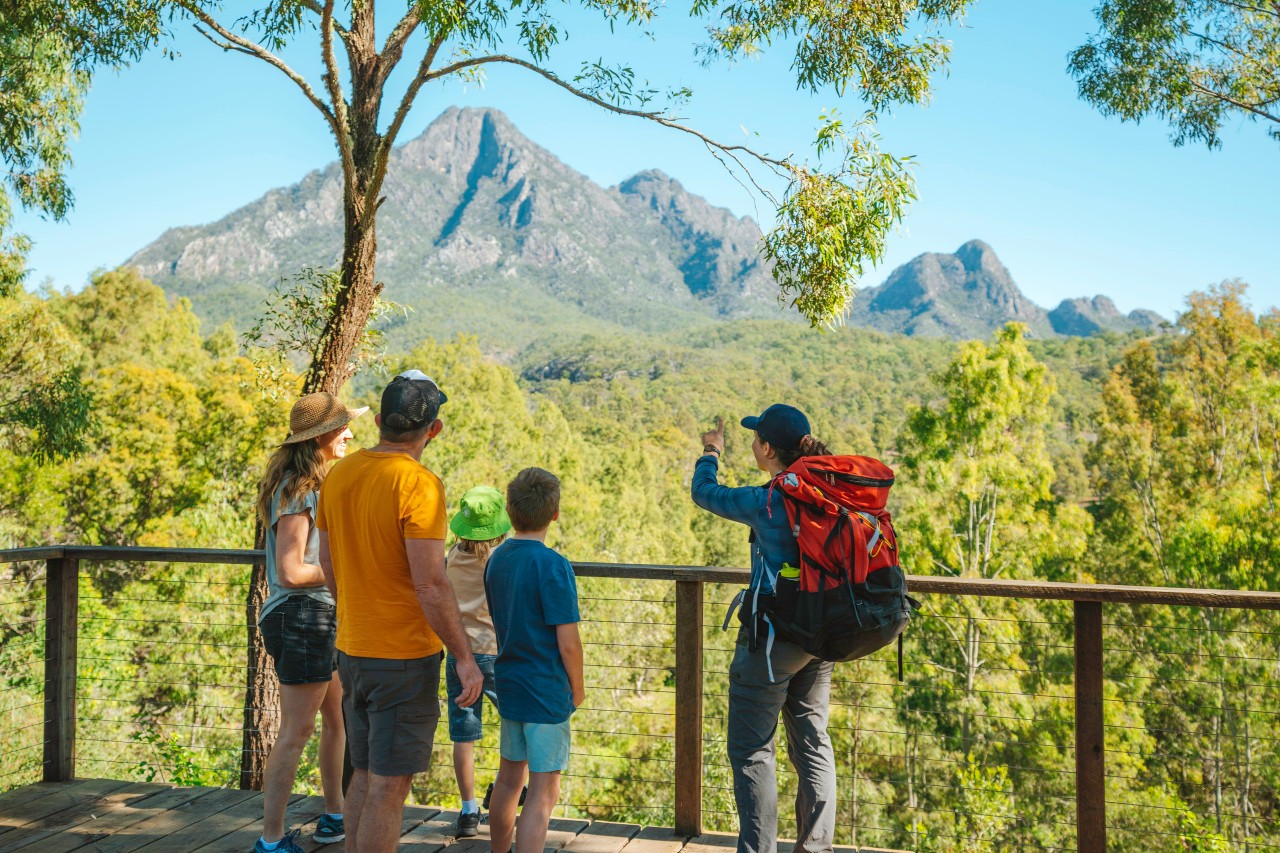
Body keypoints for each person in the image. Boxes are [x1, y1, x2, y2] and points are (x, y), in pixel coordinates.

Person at [316, 370, 483, 853]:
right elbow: (430, 583)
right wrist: (464, 658)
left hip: (352, 647)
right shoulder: (420, 485)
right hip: (403, 657)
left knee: (365, 773)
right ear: (434, 429)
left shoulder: (341, 475)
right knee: (391, 786)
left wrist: (356, 607)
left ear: (382, 422)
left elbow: (326, 561)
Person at [690, 405, 837, 853]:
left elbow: (705, 493)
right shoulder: (829, 490)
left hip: (774, 641)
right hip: (823, 635)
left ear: (767, 448)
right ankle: (815, 848)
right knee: (813, 744)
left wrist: (710, 453)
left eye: (757, 438)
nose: (754, 443)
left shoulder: (769, 500)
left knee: (754, 751)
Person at [254, 392, 367, 853]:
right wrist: (351, 570)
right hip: (302, 616)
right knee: (295, 732)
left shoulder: (315, 484)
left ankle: (334, 816)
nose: (351, 433)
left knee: (336, 720)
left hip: (321, 617)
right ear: (319, 436)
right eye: (343, 427)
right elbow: (291, 570)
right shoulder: (299, 489)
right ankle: (271, 840)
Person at [484, 467, 584, 853]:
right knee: (543, 790)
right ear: (554, 513)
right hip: (545, 689)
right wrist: (578, 688)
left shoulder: (497, 559)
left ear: (510, 512)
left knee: (509, 779)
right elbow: (569, 643)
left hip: (509, 683)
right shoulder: (553, 565)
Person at [444, 485, 511, 837]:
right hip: (499, 655)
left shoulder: (451, 556)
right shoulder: (502, 560)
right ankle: (506, 793)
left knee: (463, 734)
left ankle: (468, 809)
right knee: (517, 727)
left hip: (460, 655)